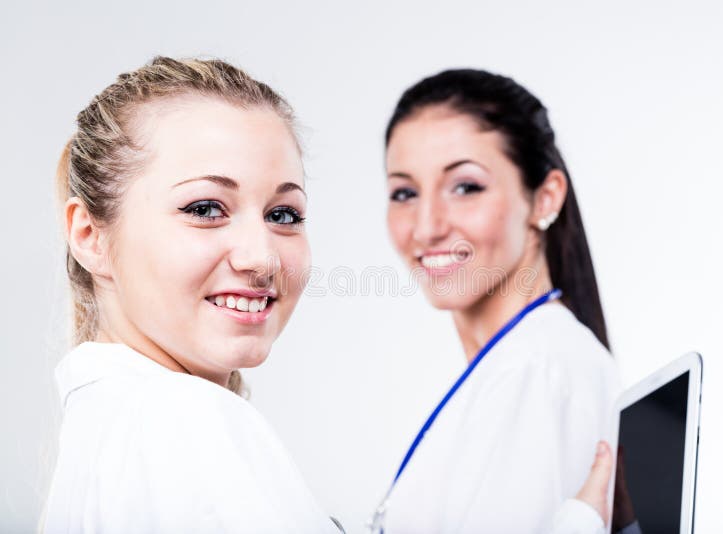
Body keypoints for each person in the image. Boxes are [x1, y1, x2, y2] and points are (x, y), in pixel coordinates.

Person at [43, 56, 614, 533]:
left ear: (545, 198)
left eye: (284, 214)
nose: (262, 257)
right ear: (90, 236)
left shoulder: (110, 424)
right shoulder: (180, 420)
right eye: (205, 209)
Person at [371, 69, 621, 533]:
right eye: (404, 192)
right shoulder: (522, 363)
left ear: (545, 198)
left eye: (465, 186)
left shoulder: (535, 368)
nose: (426, 228)